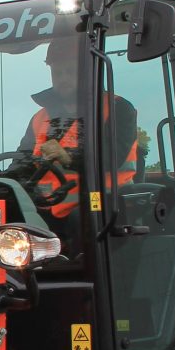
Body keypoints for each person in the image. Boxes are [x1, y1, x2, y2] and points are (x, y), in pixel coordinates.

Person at [19, 38, 139, 249]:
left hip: (103, 202)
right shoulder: (40, 118)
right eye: (58, 72)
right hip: (49, 206)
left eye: (69, 71)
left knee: (81, 220)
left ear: (86, 71)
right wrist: (1, 184)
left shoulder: (117, 108)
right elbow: (22, 160)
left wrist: (67, 157)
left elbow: (112, 155)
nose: (63, 78)